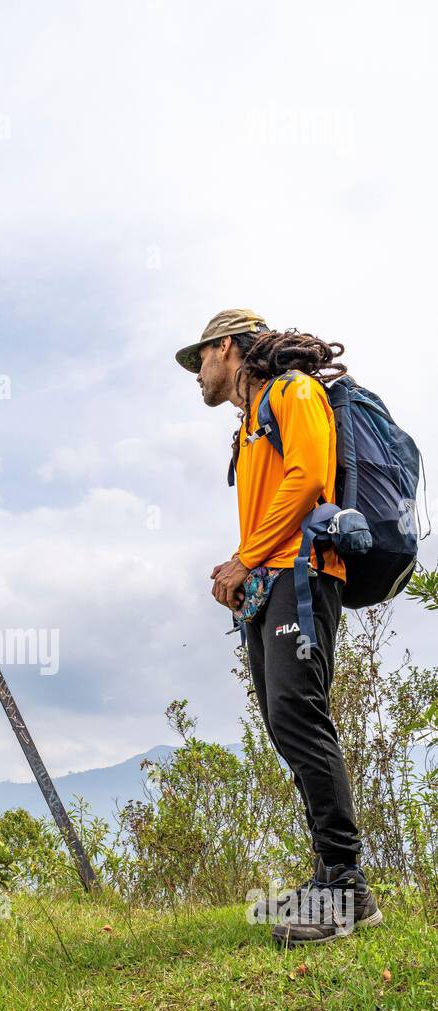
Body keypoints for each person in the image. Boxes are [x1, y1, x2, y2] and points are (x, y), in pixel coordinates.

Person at [175, 309, 382, 944]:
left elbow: (310, 480)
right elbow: (274, 504)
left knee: (298, 713)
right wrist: (241, 567)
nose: (196, 374)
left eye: (200, 358)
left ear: (229, 348)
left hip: (306, 575)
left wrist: (246, 559)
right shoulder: (248, 425)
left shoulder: (295, 392)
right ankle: (329, 873)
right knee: (281, 720)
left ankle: (346, 886)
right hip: (273, 584)